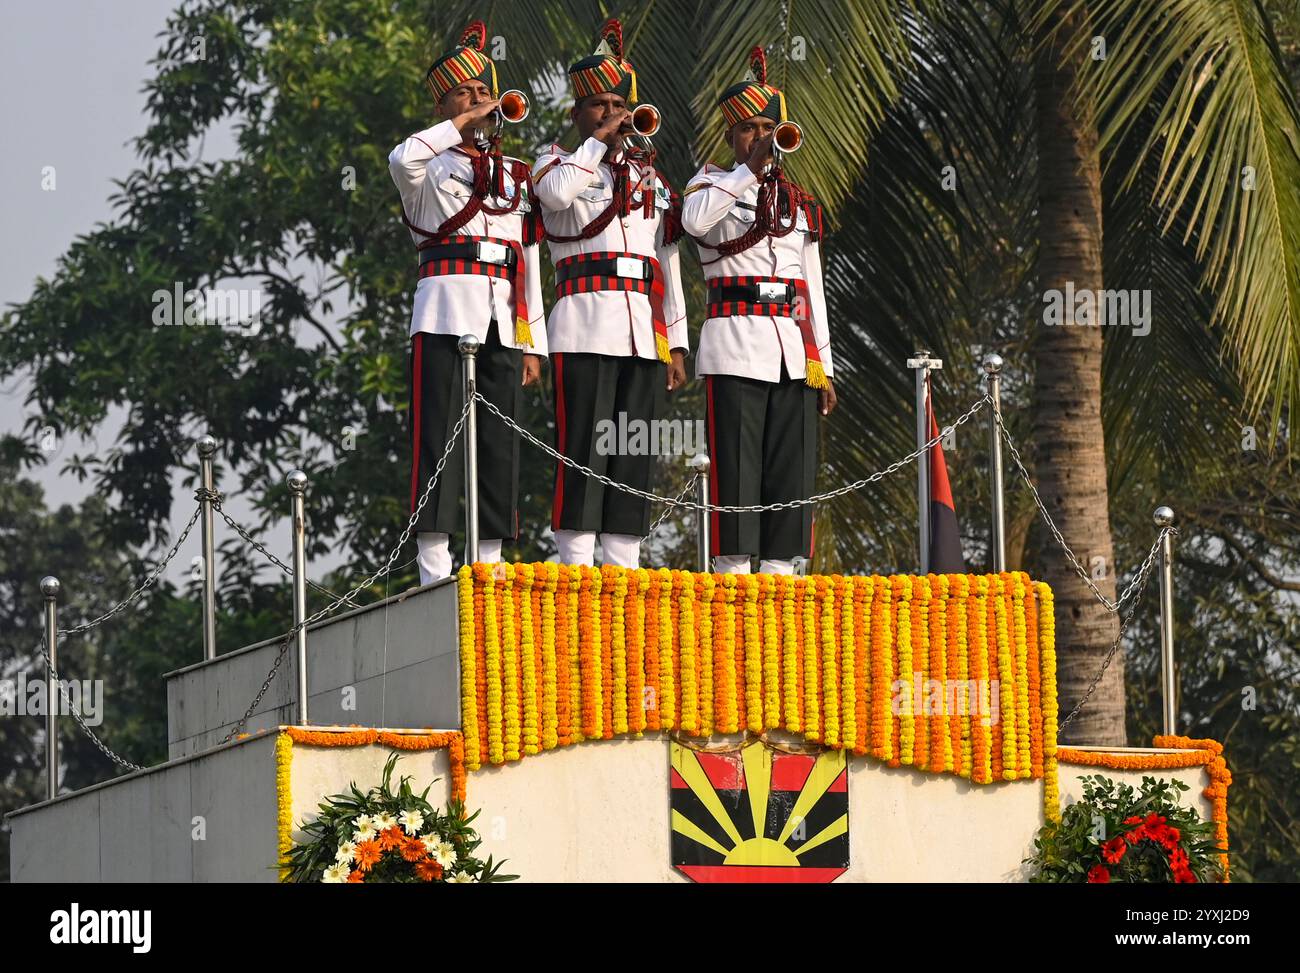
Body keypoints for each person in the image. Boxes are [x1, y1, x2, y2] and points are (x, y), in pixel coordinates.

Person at [388, 20, 546, 584]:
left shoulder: (515, 175)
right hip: (444, 313)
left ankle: (490, 561)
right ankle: (434, 566)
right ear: (445, 104)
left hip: (502, 318)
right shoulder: (426, 167)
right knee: (439, 437)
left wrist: (534, 343)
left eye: (485, 92)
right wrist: (457, 125)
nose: (481, 102)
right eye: (466, 93)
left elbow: (526, 259)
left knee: (500, 441)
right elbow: (399, 159)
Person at [532, 18, 689, 570]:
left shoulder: (652, 179)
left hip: (642, 332)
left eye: (619, 104)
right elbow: (554, 197)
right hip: (583, 322)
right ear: (577, 113)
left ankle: (623, 562)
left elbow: (665, 262)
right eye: (599, 105)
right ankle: (575, 561)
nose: (613, 114)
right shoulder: (555, 161)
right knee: (583, 449)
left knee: (633, 450)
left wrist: (678, 341)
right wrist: (598, 144)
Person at [680, 45, 837, 576]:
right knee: (737, 476)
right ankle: (731, 582)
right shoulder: (708, 185)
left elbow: (810, 289)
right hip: (735, 348)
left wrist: (825, 368)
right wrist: (747, 171)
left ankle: (777, 581)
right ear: (731, 135)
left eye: (769, 127)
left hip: (793, 353)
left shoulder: (799, 202)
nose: (762, 137)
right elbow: (697, 223)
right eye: (750, 127)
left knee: (788, 479)